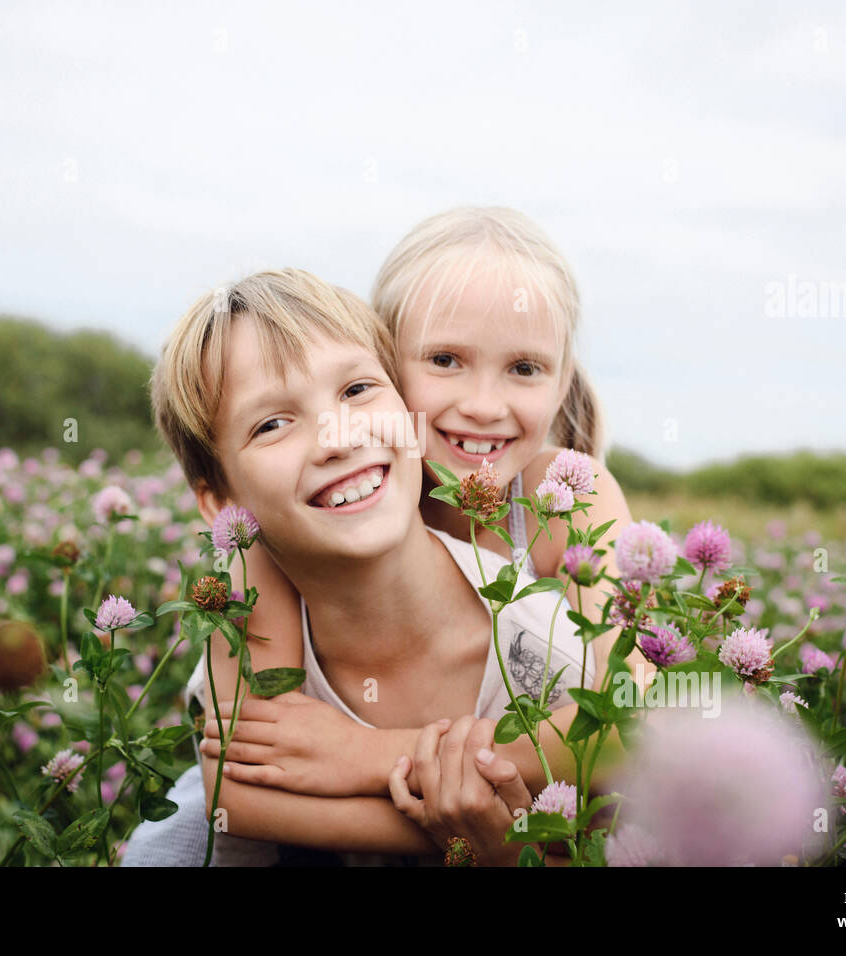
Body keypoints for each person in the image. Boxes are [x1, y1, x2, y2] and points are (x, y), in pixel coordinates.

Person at [137, 267, 599, 865]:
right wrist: (478, 831)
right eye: (271, 424)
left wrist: (505, 845)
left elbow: (606, 836)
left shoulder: (551, 648)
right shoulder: (248, 603)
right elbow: (240, 801)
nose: (337, 439)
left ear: (410, 412)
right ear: (222, 503)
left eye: (356, 391)